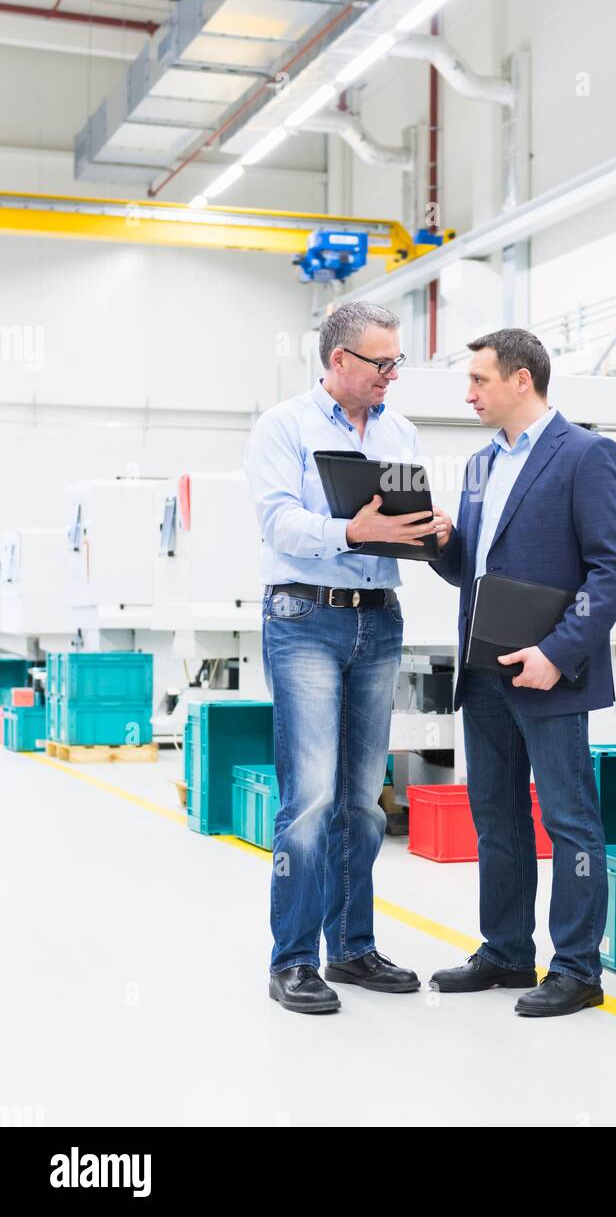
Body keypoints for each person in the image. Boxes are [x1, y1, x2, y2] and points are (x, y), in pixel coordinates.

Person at [245, 303, 447, 1015]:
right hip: (303, 618)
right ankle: (294, 959)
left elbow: (396, 521)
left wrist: (428, 526)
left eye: (396, 361)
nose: (392, 374)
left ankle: (352, 947)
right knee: (309, 801)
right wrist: (349, 530)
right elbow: (277, 522)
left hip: (378, 620)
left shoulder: (398, 429)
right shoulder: (284, 426)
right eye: (380, 362)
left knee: (363, 802)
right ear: (338, 362)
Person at [428, 329, 616, 1018]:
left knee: (569, 819)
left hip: (548, 672)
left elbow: (612, 570)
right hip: (485, 669)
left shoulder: (585, 455)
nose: (469, 393)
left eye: (479, 380)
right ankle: (506, 951)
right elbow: (473, 570)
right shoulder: (481, 465)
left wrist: (557, 652)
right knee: (495, 816)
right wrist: (439, 542)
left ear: (522, 380)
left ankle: (576, 969)